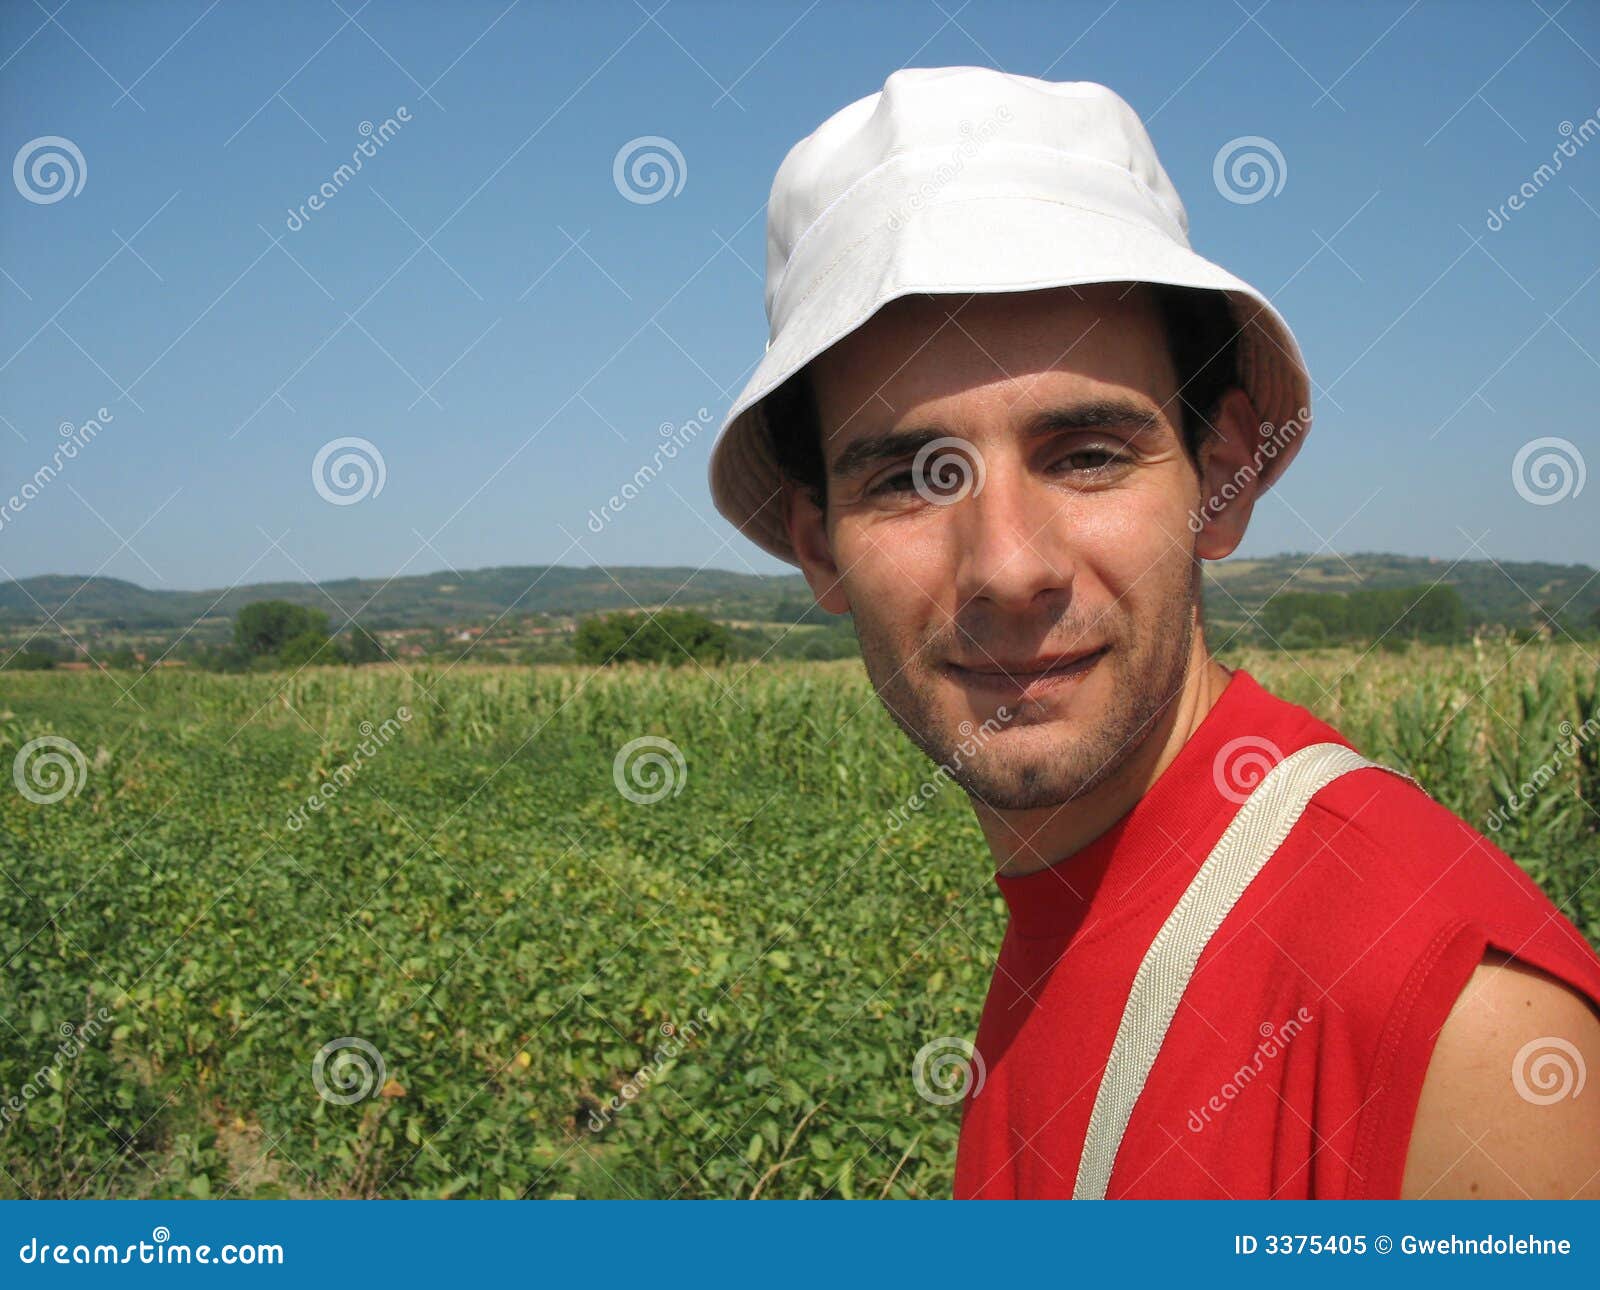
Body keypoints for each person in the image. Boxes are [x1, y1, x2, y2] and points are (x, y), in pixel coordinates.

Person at [707, 67, 1600, 1199]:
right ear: (822, 549)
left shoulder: (1460, 1033)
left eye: (1085, 456)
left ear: (1218, 483)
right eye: (910, 479)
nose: (1008, 566)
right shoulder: (1066, 903)